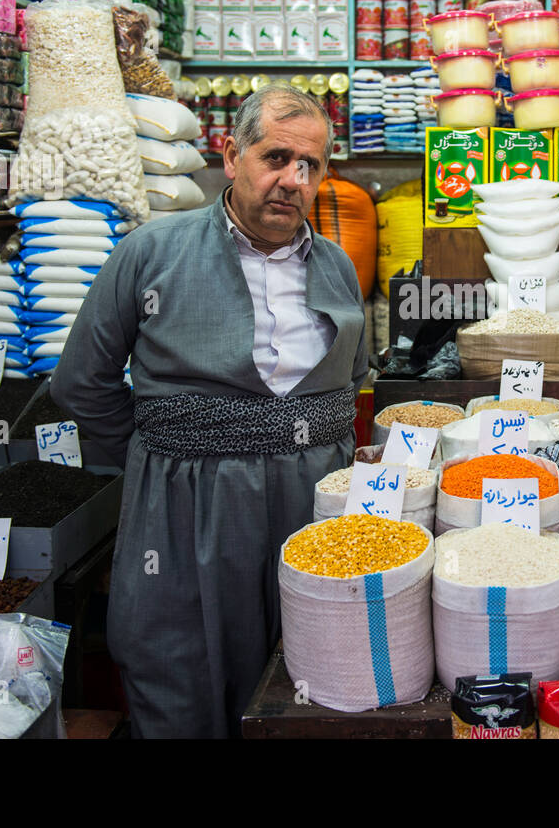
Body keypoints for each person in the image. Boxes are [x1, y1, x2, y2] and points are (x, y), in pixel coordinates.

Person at [51, 83, 367, 738]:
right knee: (179, 669)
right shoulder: (151, 251)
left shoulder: (335, 264)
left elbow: (355, 377)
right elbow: (82, 382)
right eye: (275, 157)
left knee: (303, 678)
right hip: (184, 504)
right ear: (231, 155)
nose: (292, 179)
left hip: (310, 509)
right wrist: (161, 451)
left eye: (309, 165)